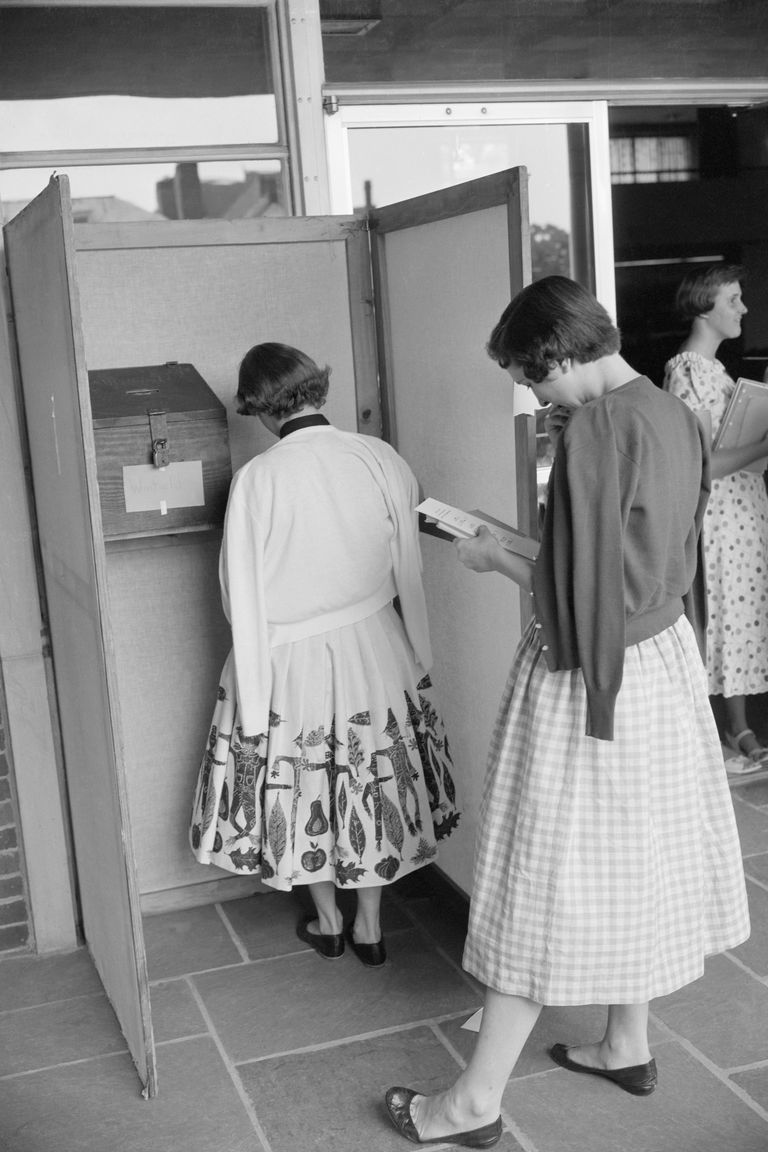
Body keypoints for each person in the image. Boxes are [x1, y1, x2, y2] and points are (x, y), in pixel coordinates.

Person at [384, 277, 749, 1147]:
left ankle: (470, 1104)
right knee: (634, 853)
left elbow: (581, 605)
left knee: (546, 873)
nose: (529, 391)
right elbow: (636, 562)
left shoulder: (594, 430)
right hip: (662, 668)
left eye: (527, 373)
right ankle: (627, 1041)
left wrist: (491, 561)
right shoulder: (671, 415)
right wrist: (524, 547)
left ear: (556, 353)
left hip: (592, 679)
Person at [190, 342, 459, 967]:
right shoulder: (377, 455)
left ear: (258, 408)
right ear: (319, 388)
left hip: (293, 655)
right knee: (371, 774)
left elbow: (240, 591)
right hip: (373, 641)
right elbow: (408, 546)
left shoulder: (257, 478)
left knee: (306, 778)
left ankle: (327, 918)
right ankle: (370, 925)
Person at [664, 264, 768, 771]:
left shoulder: (716, 371)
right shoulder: (686, 371)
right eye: (733, 299)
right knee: (719, 617)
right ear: (705, 306)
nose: (742, 308)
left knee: (738, 618)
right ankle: (714, 735)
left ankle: (738, 723)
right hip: (721, 521)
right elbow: (699, 461)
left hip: (741, 517)